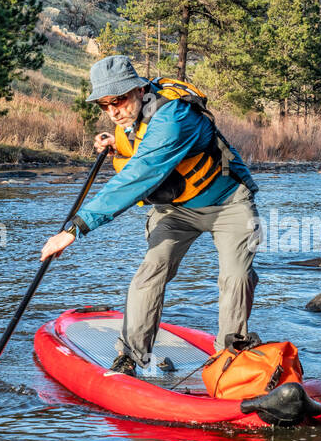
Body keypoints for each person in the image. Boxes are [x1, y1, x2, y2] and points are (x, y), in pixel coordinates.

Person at [40, 55, 260, 376]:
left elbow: (139, 174)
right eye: (104, 105)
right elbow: (136, 141)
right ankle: (130, 356)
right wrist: (113, 143)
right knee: (152, 269)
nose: (113, 111)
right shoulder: (133, 119)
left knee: (236, 276)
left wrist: (74, 229)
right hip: (179, 209)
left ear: (140, 90)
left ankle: (230, 356)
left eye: (118, 100)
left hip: (228, 201)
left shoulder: (174, 117)